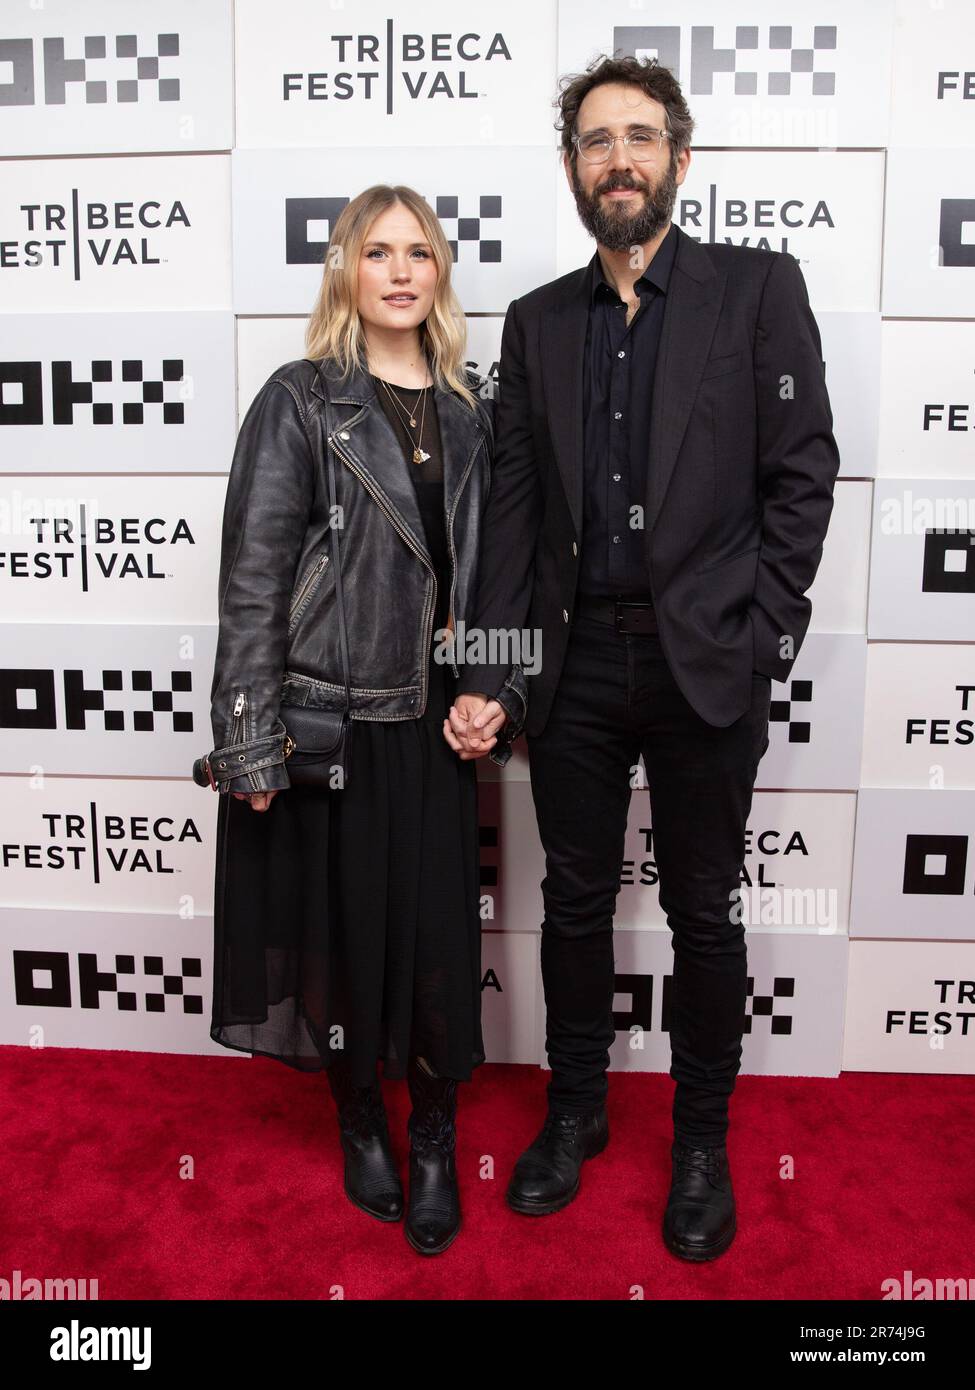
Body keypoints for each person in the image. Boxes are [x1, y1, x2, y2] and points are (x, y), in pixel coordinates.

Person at [447, 55, 840, 1261]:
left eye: (639, 136)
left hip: (703, 663)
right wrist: (491, 670)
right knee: (572, 901)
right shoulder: (538, 322)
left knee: (701, 908)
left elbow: (803, 473)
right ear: (572, 166)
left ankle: (703, 1139)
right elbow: (514, 513)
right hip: (572, 667)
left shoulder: (756, 290)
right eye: (595, 140)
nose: (617, 158)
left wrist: (764, 633)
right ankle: (575, 1110)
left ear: (679, 155)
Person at [195, 184, 526, 1256]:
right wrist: (248, 738)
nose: (399, 271)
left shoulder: (473, 414)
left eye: (417, 252)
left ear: (439, 272)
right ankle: (360, 1123)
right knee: (341, 938)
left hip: (433, 726)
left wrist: (495, 689)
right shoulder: (300, 401)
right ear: (346, 268)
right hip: (329, 721)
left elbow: (499, 580)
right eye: (376, 251)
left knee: (434, 943)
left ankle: (433, 1135)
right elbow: (253, 581)